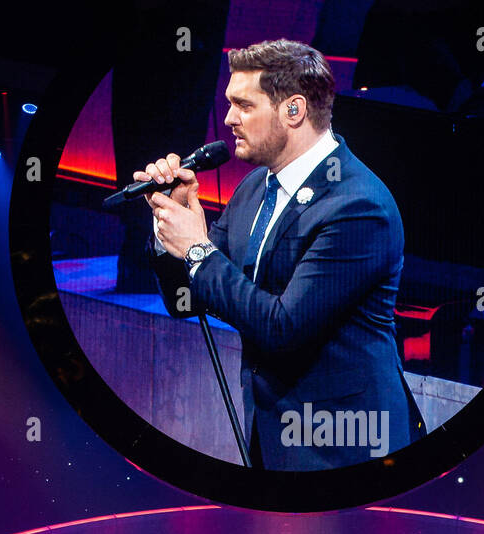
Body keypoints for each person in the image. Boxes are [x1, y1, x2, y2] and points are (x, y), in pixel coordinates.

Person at [141, 39, 420, 470]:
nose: (229, 118)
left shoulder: (358, 207)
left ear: (294, 110)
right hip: (269, 434)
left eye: (243, 105)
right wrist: (170, 224)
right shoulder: (255, 187)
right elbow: (191, 299)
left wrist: (198, 247)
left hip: (343, 446)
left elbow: (283, 328)